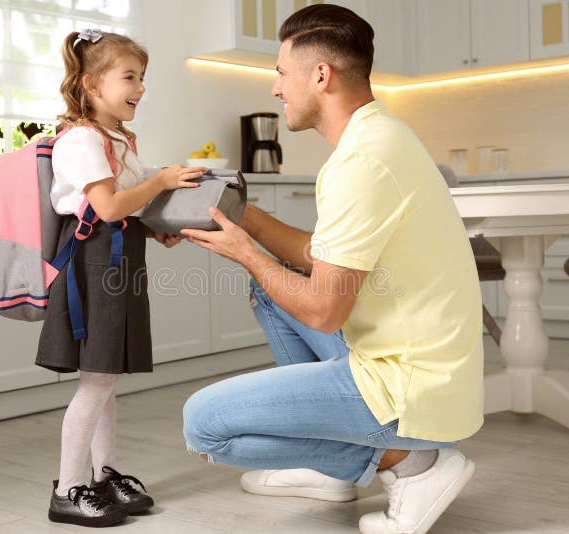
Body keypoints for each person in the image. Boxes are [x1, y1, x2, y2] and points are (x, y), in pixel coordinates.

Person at [180, 5, 483, 534]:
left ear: (320, 76)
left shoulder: (360, 163)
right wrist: (239, 217)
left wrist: (244, 252)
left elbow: (323, 310)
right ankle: (333, 473)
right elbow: (319, 257)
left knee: (204, 426)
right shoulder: (380, 136)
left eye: (280, 72)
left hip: (406, 385)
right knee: (271, 290)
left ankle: (412, 464)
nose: (276, 89)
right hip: (417, 365)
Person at [36, 29, 205, 528]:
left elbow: (121, 211)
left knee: (105, 379)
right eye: (129, 77)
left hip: (117, 260)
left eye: (142, 78)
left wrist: (155, 231)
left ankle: (104, 474)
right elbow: (106, 206)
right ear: (91, 85)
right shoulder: (83, 138)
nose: (141, 87)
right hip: (93, 266)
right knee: (97, 381)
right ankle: (68, 489)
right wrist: (160, 180)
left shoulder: (114, 138)